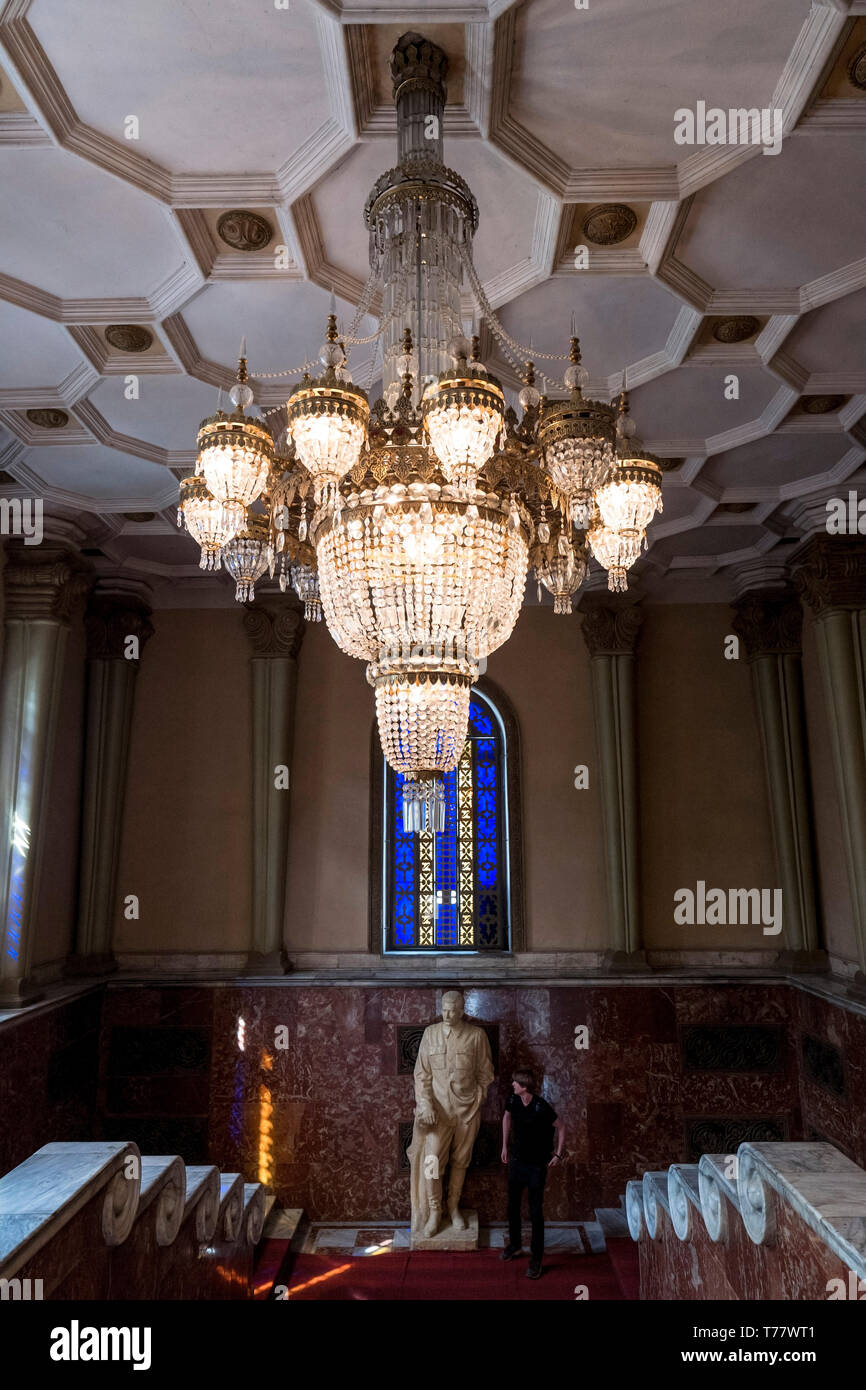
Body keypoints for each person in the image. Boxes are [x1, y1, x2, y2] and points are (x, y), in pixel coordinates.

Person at [409, 989, 495, 1239]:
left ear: (462, 1010)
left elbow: (485, 1072)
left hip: (467, 1111)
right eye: (444, 1009)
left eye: (453, 1010)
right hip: (437, 1114)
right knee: (432, 1163)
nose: (448, 1014)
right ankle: (435, 1212)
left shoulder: (476, 1036)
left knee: (460, 1161)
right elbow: (421, 1074)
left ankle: (453, 1207)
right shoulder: (430, 1034)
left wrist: (478, 1098)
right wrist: (425, 1104)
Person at [500, 1068, 564, 1278]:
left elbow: (561, 1127)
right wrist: (504, 1146)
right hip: (517, 1162)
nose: (512, 1085)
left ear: (524, 1087)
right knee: (512, 1206)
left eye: (515, 1083)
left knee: (535, 1213)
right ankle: (515, 1245)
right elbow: (507, 1118)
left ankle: (536, 1259)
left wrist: (558, 1154)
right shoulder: (513, 1100)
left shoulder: (541, 1106)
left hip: (536, 1166)